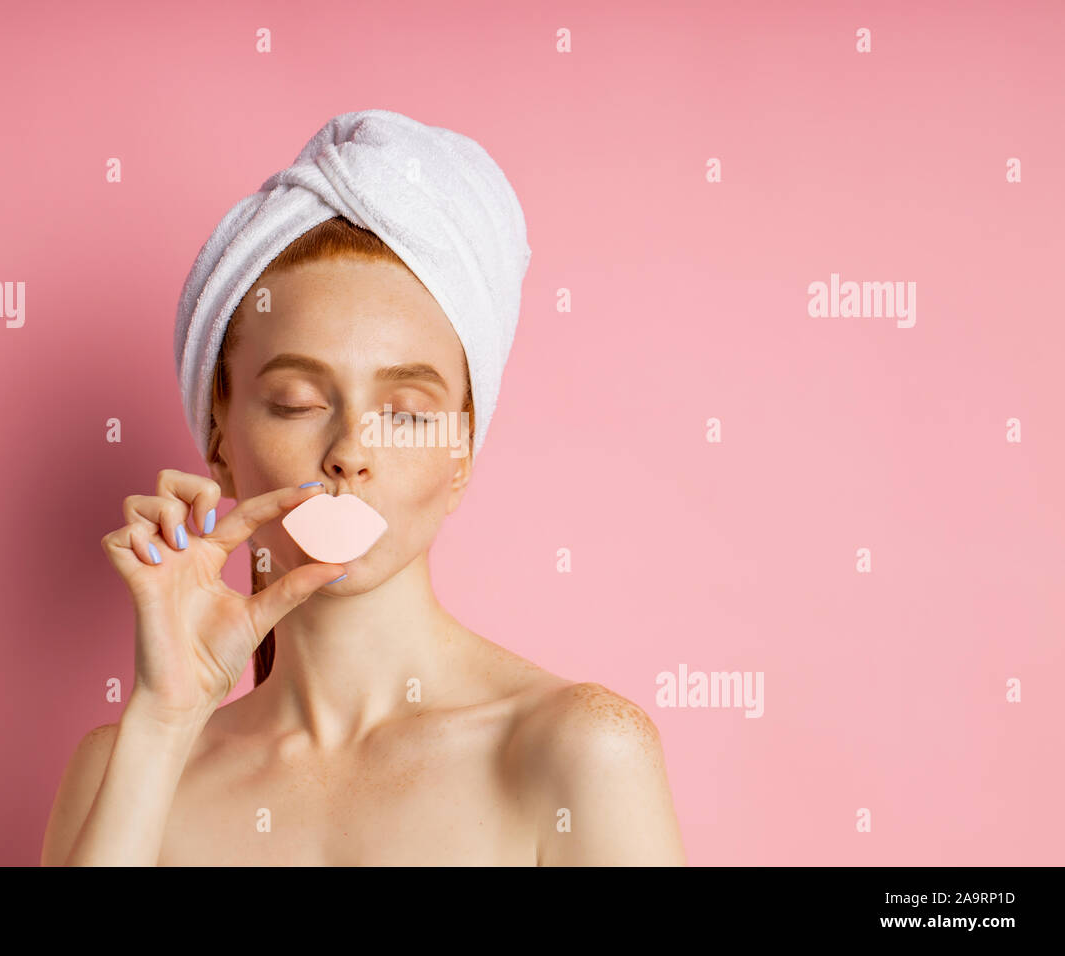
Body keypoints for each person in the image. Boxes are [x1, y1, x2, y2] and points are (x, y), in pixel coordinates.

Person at [41, 112, 686, 866]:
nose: (350, 451)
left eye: (406, 414)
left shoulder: (578, 752)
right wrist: (164, 722)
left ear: (461, 453)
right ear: (221, 444)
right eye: (297, 402)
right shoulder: (124, 772)